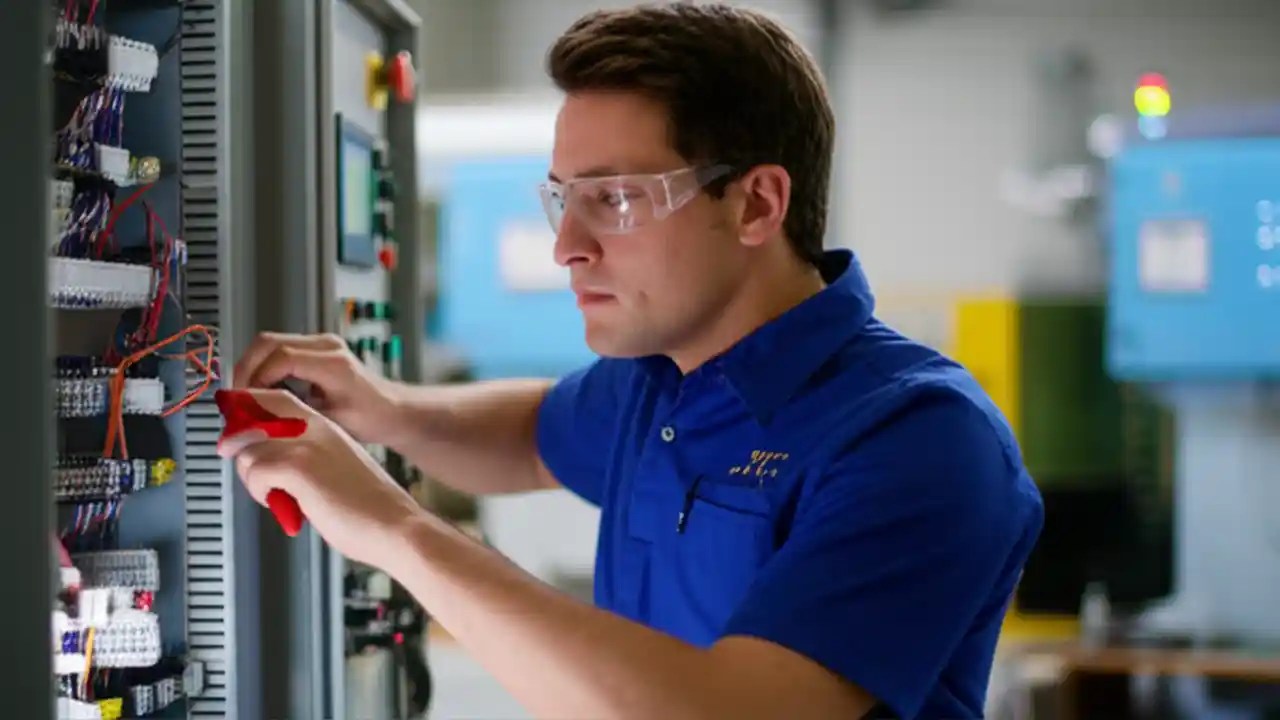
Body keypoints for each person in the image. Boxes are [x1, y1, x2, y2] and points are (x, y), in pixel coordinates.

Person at [223, 4, 1044, 718]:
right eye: (562, 199)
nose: (566, 248)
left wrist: (395, 529)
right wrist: (381, 407)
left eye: (614, 199)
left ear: (757, 203)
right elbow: (528, 433)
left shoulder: (919, 438)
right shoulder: (659, 380)